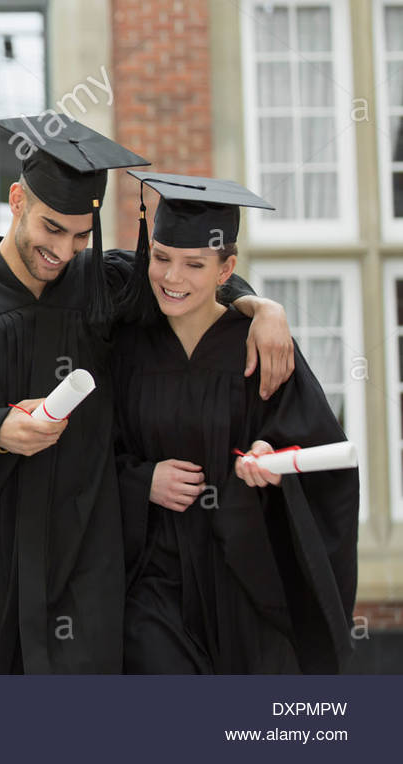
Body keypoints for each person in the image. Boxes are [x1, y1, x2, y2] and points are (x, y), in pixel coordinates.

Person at [0, 115, 296, 673]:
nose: (64, 250)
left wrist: (260, 308)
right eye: (52, 228)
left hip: (87, 556)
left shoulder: (100, 286)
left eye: (82, 235)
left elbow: (188, 283)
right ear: (16, 200)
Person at [113, 172, 358, 673]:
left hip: (244, 572)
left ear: (227, 268)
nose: (172, 277)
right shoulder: (124, 346)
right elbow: (88, 451)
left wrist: (274, 457)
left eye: (194, 264)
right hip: (152, 579)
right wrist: (141, 482)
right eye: (160, 258)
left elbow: (312, 444)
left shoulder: (260, 345)